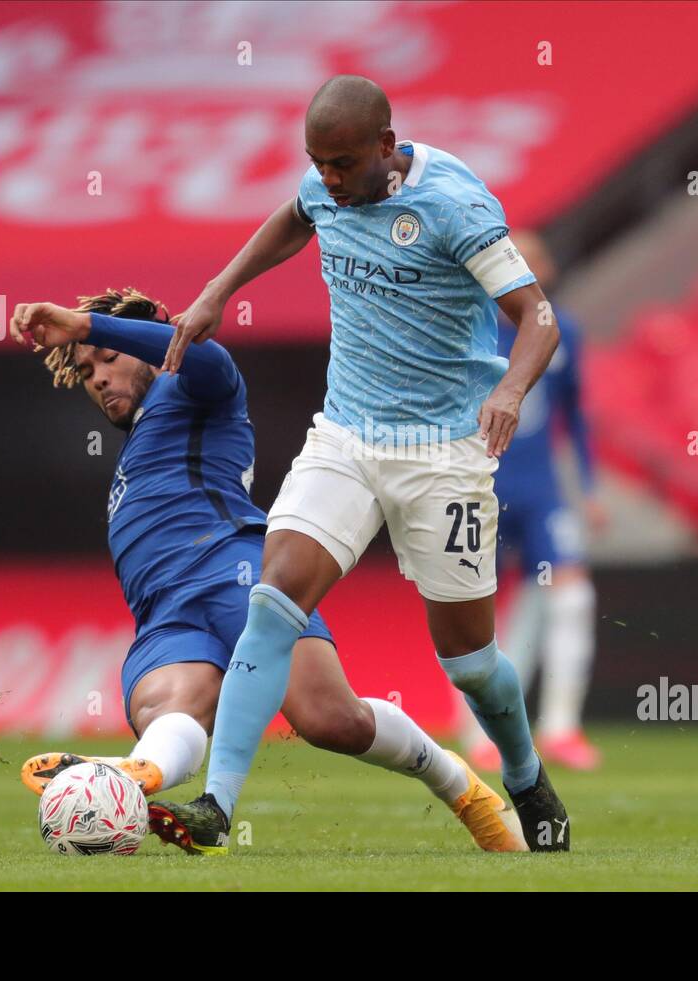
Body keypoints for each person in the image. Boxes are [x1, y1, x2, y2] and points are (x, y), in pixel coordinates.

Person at [154, 75, 571, 852]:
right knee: (274, 594)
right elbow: (292, 215)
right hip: (344, 437)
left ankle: (524, 776)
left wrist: (512, 388)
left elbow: (537, 315)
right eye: (318, 162)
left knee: (471, 662)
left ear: (386, 146)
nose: (329, 179)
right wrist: (218, 290)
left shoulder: (456, 204)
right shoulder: (326, 184)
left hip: (441, 454)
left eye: (343, 163)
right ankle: (216, 802)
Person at [8, 287, 526, 853]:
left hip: (234, 574)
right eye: (86, 371)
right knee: (168, 707)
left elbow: (208, 356)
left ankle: (463, 789)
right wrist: (92, 337)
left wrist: (86, 324)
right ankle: (136, 776)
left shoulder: (194, 390)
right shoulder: (139, 446)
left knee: (330, 720)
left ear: (151, 348)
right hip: (165, 614)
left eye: (108, 356)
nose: (99, 376)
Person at [460, 230, 607, 772]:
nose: (526, 271)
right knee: (473, 610)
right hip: (481, 487)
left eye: (536, 262)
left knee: (570, 596)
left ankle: (562, 728)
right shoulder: (468, 331)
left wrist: (588, 490)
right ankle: (477, 731)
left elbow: (575, 414)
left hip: (542, 490)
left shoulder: (563, 331)